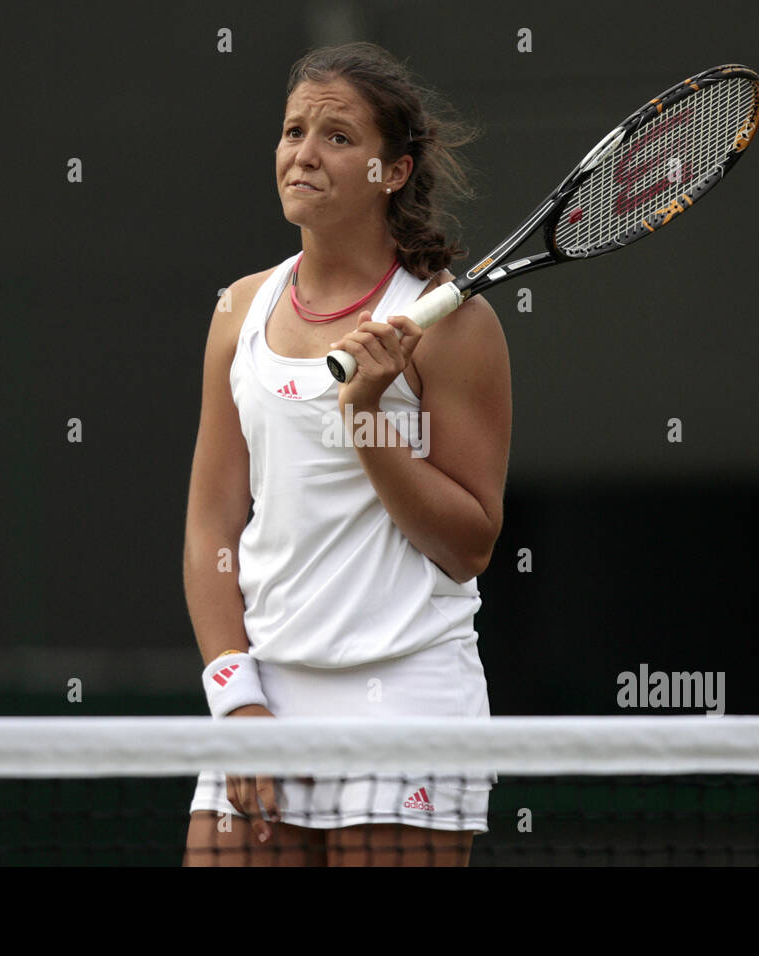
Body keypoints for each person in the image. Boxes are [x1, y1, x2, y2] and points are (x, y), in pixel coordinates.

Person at [183, 41, 511, 867]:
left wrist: (366, 417)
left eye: (337, 137)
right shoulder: (238, 311)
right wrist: (237, 701)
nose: (304, 154)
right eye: (294, 131)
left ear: (391, 172)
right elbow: (212, 522)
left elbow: (468, 546)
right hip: (264, 696)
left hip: (406, 697)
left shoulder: (455, 327)